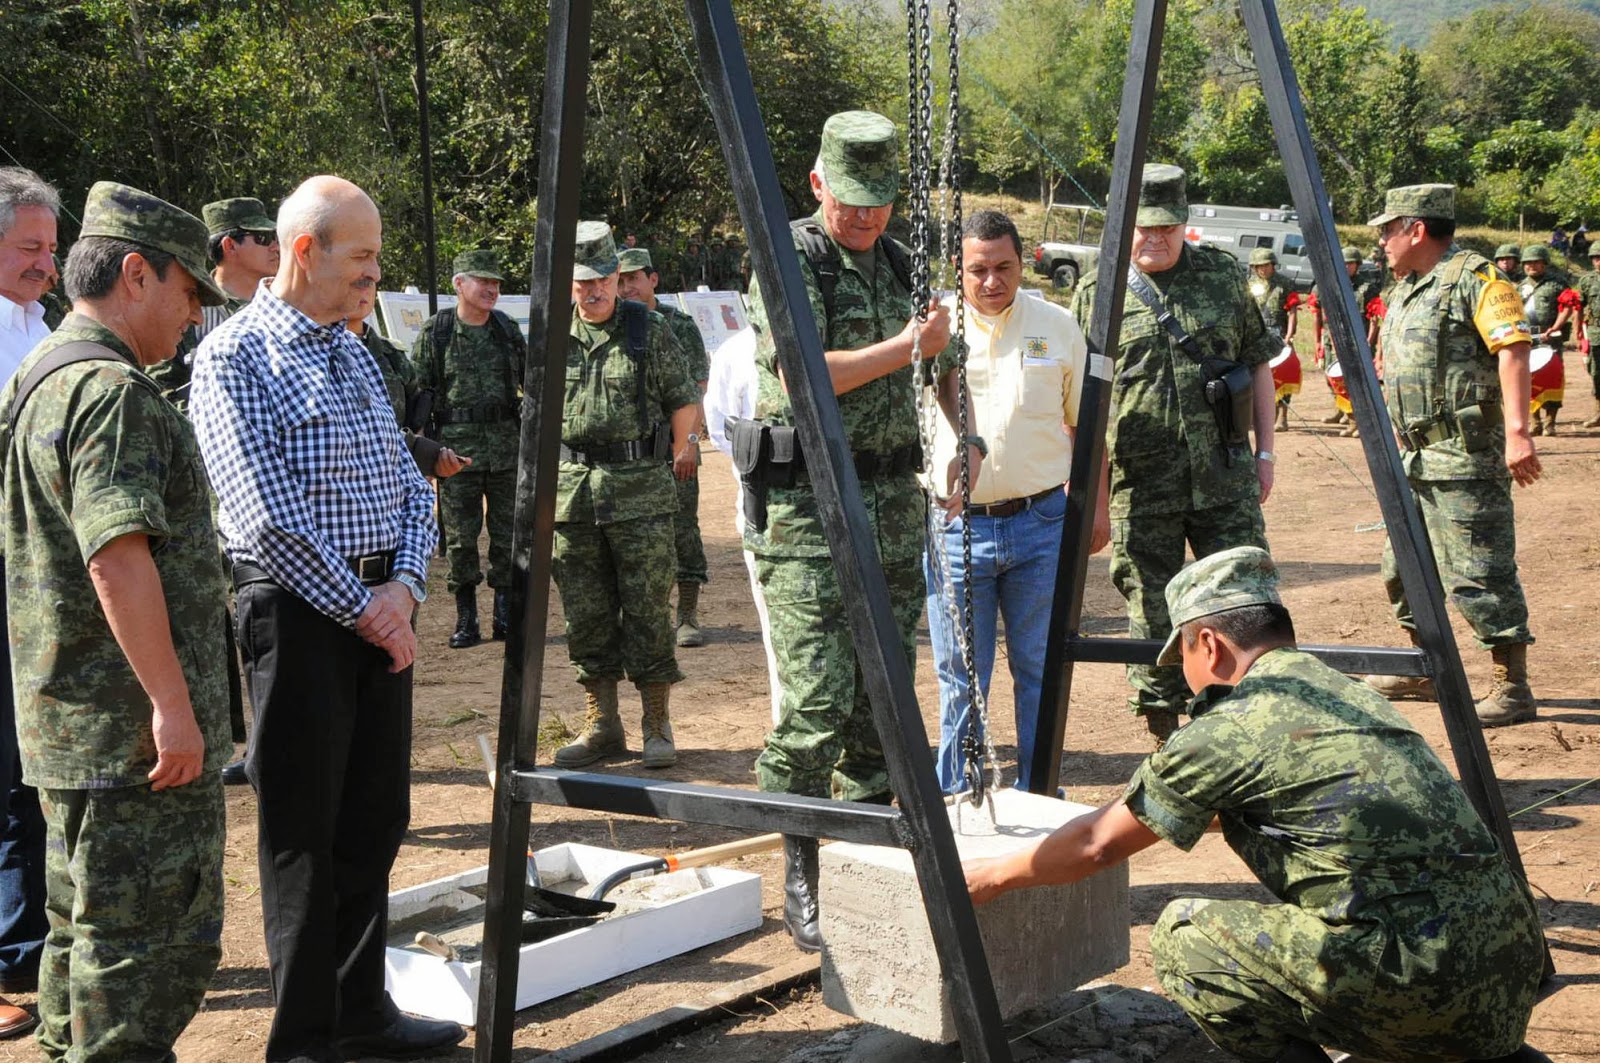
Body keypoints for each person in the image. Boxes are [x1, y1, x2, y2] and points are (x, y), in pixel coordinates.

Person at [964, 547, 1550, 1063]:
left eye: (1183, 660)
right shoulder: (1342, 693)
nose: (1187, 678)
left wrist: (990, 878)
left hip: (1421, 982)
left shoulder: (1233, 727)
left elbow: (1096, 845)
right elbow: (1279, 803)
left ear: (1210, 645)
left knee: (1186, 934)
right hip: (1510, 967)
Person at [190, 176, 461, 1062]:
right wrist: (369, 609)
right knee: (303, 832)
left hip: (383, 610)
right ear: (304, 250)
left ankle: (361, 1013)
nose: (374, 276)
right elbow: (262, 515)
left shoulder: (354, 352)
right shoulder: (233, 358)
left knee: (375, 817)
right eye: (363, 258)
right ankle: (305, 1041)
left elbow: (408, 492)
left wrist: (407, 590)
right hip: (301, 617)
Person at [0, 182, 233, 1059]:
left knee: (81, 940)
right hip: (130, 740)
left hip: (70, 729)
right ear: (137, 274)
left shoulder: (41, 374)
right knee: (145, 954)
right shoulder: (111, 391)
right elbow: (115, 554)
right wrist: (172, 705)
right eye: (188, 293)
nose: (192, 316)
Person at [740, 110, 963, 953]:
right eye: (852, 204)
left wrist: (961, 426)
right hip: (807, 511)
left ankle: (863, 851)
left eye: (879, 204)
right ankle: (801, 860)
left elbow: (945, 368)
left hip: (890, 499)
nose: (865, 219)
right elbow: (804, 376)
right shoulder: (791, 260)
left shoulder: (904, 264)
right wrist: (910, 345)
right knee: (817, 701)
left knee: (881, 698)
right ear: (818, 184)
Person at [1071, 163, 1276, 747]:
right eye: (1143, 227)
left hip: (1225, 476)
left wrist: (1267, 455)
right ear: (1124, 225)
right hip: (1142, 484)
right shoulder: (1098, 291)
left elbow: (1258, 362)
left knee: (1243, 596)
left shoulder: (1224, 277)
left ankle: (1246, 722)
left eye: (1169, 227)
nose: (1155, 239)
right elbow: (1083, 399)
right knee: (1151, 609)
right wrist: (1093, 492)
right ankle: (1164, 732)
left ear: (1186, 223)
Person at [924, 209, 1107, 795]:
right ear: (959, 267)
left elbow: (1088, 428)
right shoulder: (932, 330)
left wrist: (1097, 506)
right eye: (977, 270)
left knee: (1039, 669)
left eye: (1003, 267)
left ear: (1023, 263)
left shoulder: (1056, 328)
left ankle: (1038, 793)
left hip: (1040, 525)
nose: (990, 282)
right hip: (956, 529)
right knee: (960, 676)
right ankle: (957, 798)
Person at [1363, 184, 1541, 727]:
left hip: (1465, 455)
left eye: (1388, 229)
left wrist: (1518, 432)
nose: (1382, 241)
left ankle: (1511, 686)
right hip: (1414, 457)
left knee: (1480, 572)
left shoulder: (1478, 278)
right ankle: (1426, 668)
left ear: (1417, 229)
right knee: (1404, 570)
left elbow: (1512, 348)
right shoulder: (1405, 288)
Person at [549, 222, 700, 772]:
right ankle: (602, 724)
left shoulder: (649, 330)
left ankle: (656, 722)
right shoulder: (549, 334)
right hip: (572, 499)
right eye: (581, 282)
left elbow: (683, 400)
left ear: (618, 276)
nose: (591, 291)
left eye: (601, 280)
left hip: (639, 494)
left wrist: (683, 451)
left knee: (646, 611)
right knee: (585, 615)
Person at [0, 165, 59, 1040]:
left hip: (41, 583)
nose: (45, 264)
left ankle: (34, 953)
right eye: (27, 247)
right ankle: (14, 967)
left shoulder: (41, 327)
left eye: (51, 247)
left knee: (34, 771)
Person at [413, 249, 526, 648]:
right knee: (460, 539)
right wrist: (425, 457)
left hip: (506, 450)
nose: (491, 289)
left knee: (507, 535)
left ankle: (505, 615)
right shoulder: (436, 333)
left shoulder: (507, 330)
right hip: (454, 455)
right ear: (459, 284)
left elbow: (531, 386)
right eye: (484, 281)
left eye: (496, 283)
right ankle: (467, 619)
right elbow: (419, 397)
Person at [616, 247, 712, 647]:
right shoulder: (614, 323)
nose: (627, 287)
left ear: (652, 280)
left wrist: (687, 443)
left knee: (682, 531)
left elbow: (697, 387)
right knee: (631, 537)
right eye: (619, 280)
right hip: (629, 455)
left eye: (633, 278)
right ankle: (641, 617)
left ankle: (686, 614)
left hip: (674, 449)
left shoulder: (678, 324)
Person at [703, 328, 783, 724]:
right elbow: (721, 429)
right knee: (781, 636)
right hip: (767, 511)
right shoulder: (735, 350)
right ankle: (786, 728)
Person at [146, 196, 280, 411]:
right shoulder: (189, 311)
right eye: (263, 238)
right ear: (230, 246)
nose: (275, 247)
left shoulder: (285, 306)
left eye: (275, 237)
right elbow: (162, 392)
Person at [347, 306, 470, 479]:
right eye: (354, 280)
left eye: (369, 281)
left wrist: (425, 464)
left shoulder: (391, 354)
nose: (365, 285)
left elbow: (417, 413)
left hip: (393, 478)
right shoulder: (304, 355)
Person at [1310, 246, 1381, 431]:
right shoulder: (1329, 285)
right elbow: (1319, 314)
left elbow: (1374, 318)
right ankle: (1341, 411)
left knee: (1355, 381)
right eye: (1343, 263)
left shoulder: (1367, 288)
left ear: (1357, 265)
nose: (1346, 267)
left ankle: (1357, 420)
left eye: (1350, 263)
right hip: (1332, 339)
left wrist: (1369, 342)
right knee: (1332, 377)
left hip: (1358, 341)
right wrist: (1318, 341)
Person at [1518, 244, 1571, 436]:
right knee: (1529, 380)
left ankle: (1550, 422)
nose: (1532, 266)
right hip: (1527, 339)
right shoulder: (1519, 287)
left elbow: (1568, 306)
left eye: (1536, 262)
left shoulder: (1558, 284)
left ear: (1544, 263)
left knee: (1552, 380)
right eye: (1528, 263)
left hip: (1551, 338)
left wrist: (1556, 327)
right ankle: (1535, 422)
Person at [1247, 247, 1299, 431]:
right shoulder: (1249, 284)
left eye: (1266, 265)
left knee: (1282, 377)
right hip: (1257, 336)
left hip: (1279, 335)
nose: (1262, 269)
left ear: (1273, 265)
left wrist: (1289, 335)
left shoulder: (1285, 284)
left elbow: (1292, 311)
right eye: (1258, 266)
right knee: (1255, 376)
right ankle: (1258, 417)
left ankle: (1282, 417)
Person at [1572, 245, 1600, 428]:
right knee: (1596, 373)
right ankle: (1599, 412)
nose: (1599, 261)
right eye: (1596, 257)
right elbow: (1578, 308)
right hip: (1596, 333)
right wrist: (1577, 332)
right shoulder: (1586, 281)